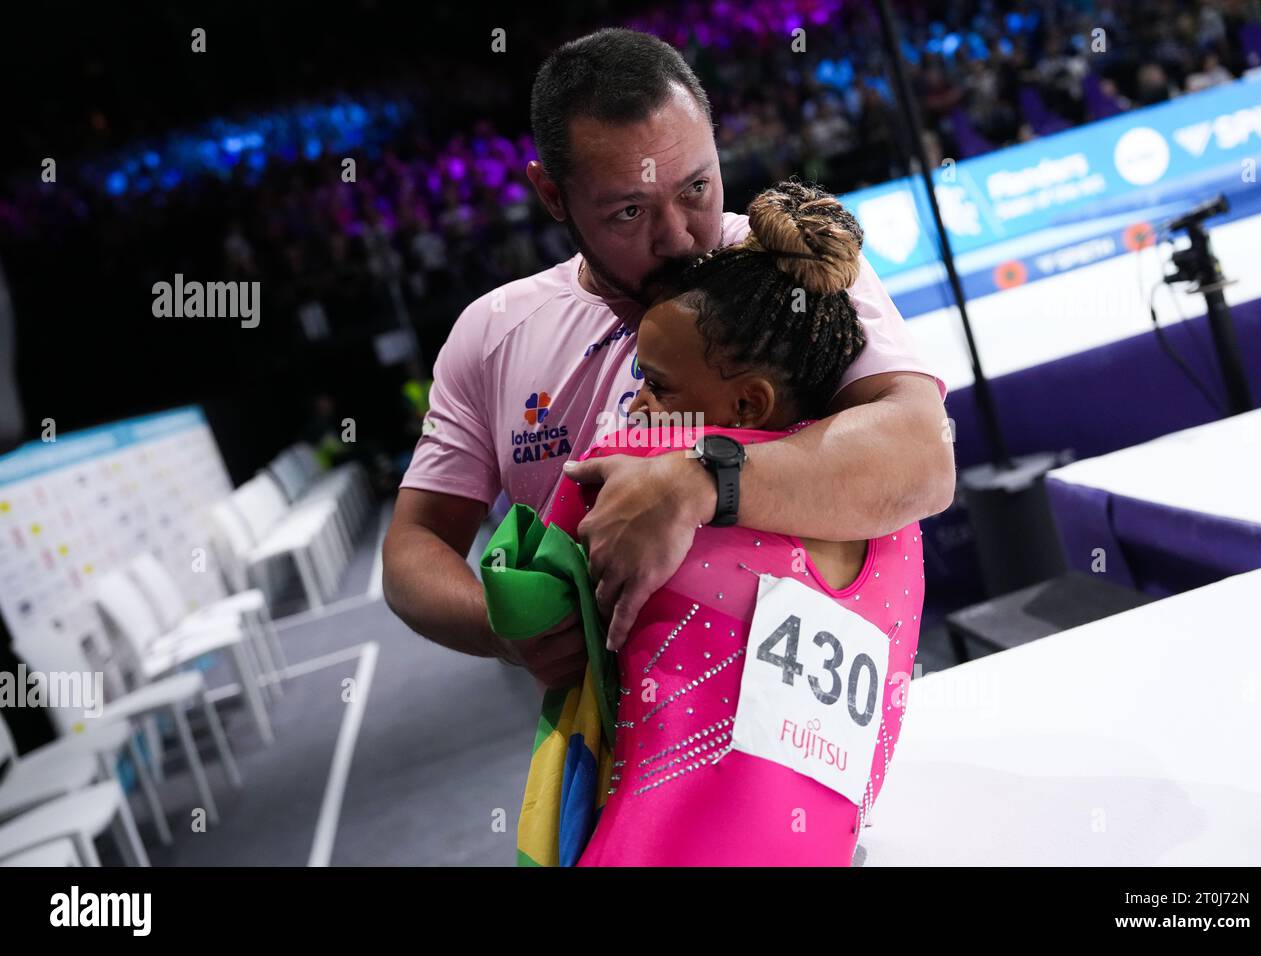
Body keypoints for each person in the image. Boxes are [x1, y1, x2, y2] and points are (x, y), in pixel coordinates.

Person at [382, 28, 952, 697]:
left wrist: (700, 484)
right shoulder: (493, 335)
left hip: (810, 740)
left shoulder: (785, 267)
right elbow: (413, 545)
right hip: (621, 754)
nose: (680, 237)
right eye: (629, 210)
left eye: (697, 187)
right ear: (553, 196)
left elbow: (924, 455)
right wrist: (500, 629)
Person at [543, 180, 922, 865]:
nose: (639, 407)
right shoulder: (894, 512)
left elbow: (527, 598)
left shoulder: (629, 465)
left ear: (748, 403)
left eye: (658, 385)